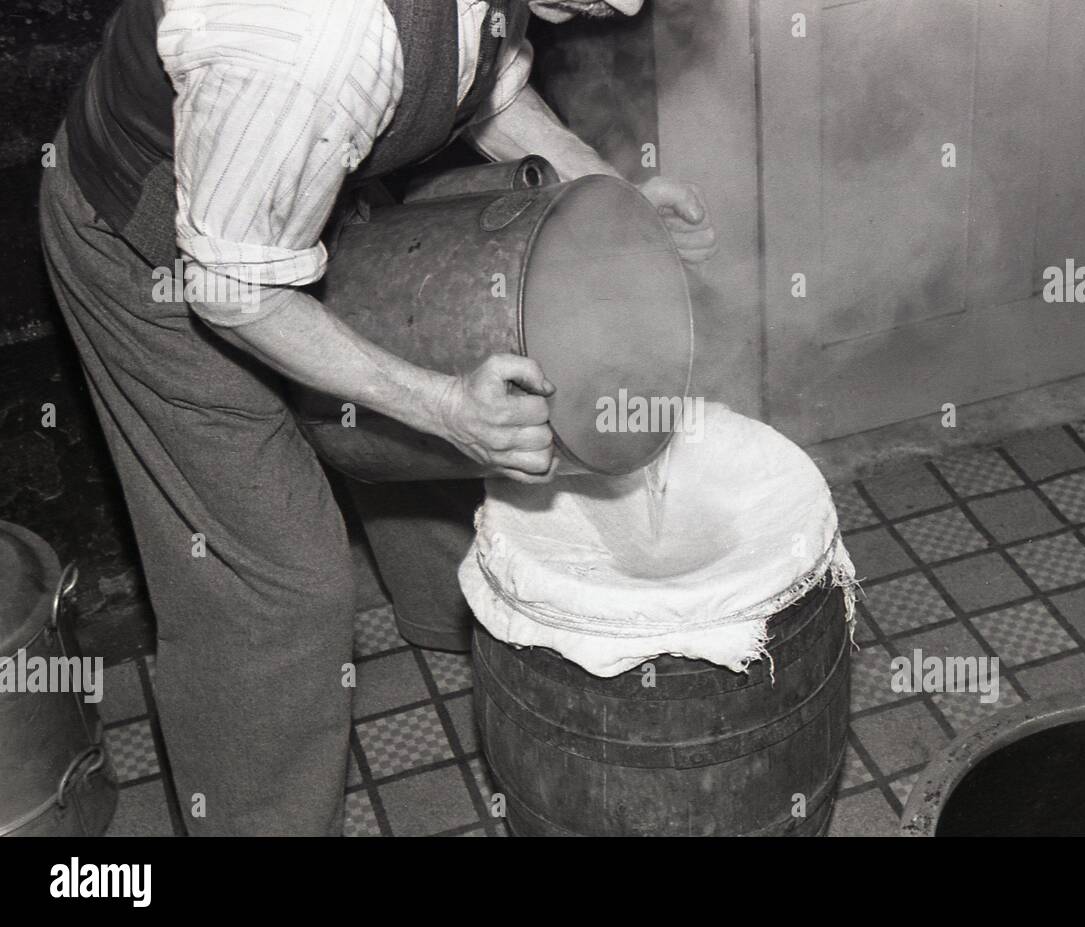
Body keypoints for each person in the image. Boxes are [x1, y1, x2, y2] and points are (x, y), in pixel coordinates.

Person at [39, 0, 716, 835]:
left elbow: (489, 90)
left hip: (301, 171)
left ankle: (450, 636)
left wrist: (614, 199)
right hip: (164, 253)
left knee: (453, 381)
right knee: (278, 582)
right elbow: (233, 290)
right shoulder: (317, 38)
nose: (626, 7)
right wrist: (441, 407)